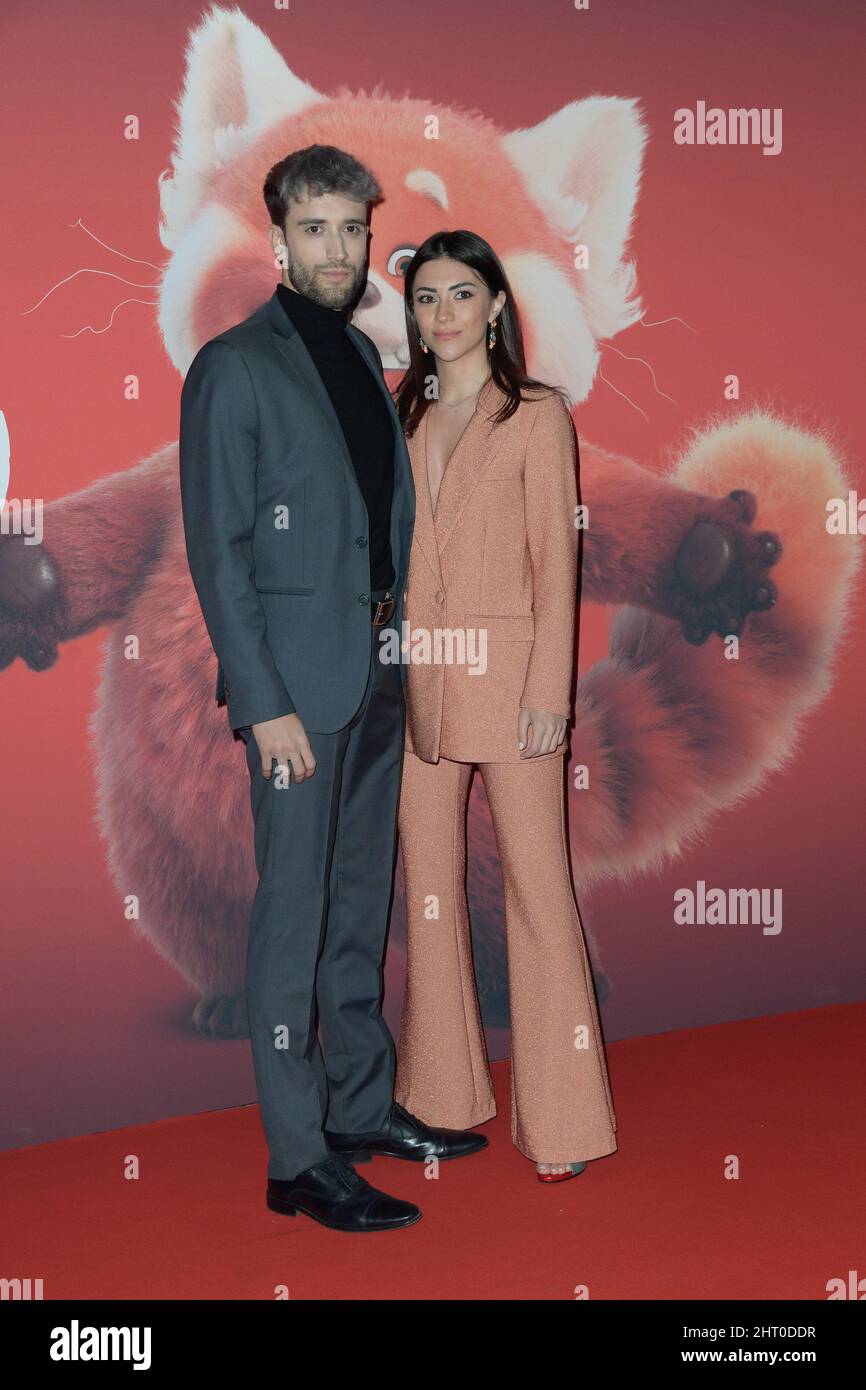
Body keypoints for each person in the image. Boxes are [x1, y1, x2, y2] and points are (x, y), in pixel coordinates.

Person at [178, 147, 485, 1234]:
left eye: (353, 230)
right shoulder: (232, 366)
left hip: (374, 678)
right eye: (315, 229)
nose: (337, 249)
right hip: (293, 701)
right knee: (293, 920)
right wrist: (261, 702)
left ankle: (357, 1108)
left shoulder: (360, 352)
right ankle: (297, 1157)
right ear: (277, 241)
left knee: (359, 909)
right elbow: (219, 551)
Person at [392, 230, 618, 1183]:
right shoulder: (397, 415)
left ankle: (563, 1124)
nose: (441, 314)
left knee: (538, 897)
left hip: (513, 687)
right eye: (427, 298)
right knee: (430, 901)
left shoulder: (536, 416)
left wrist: (548, 698)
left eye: (460, 295)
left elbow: (556, 564)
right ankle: (440, 1097)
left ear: (494, 306)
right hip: (418, 691)